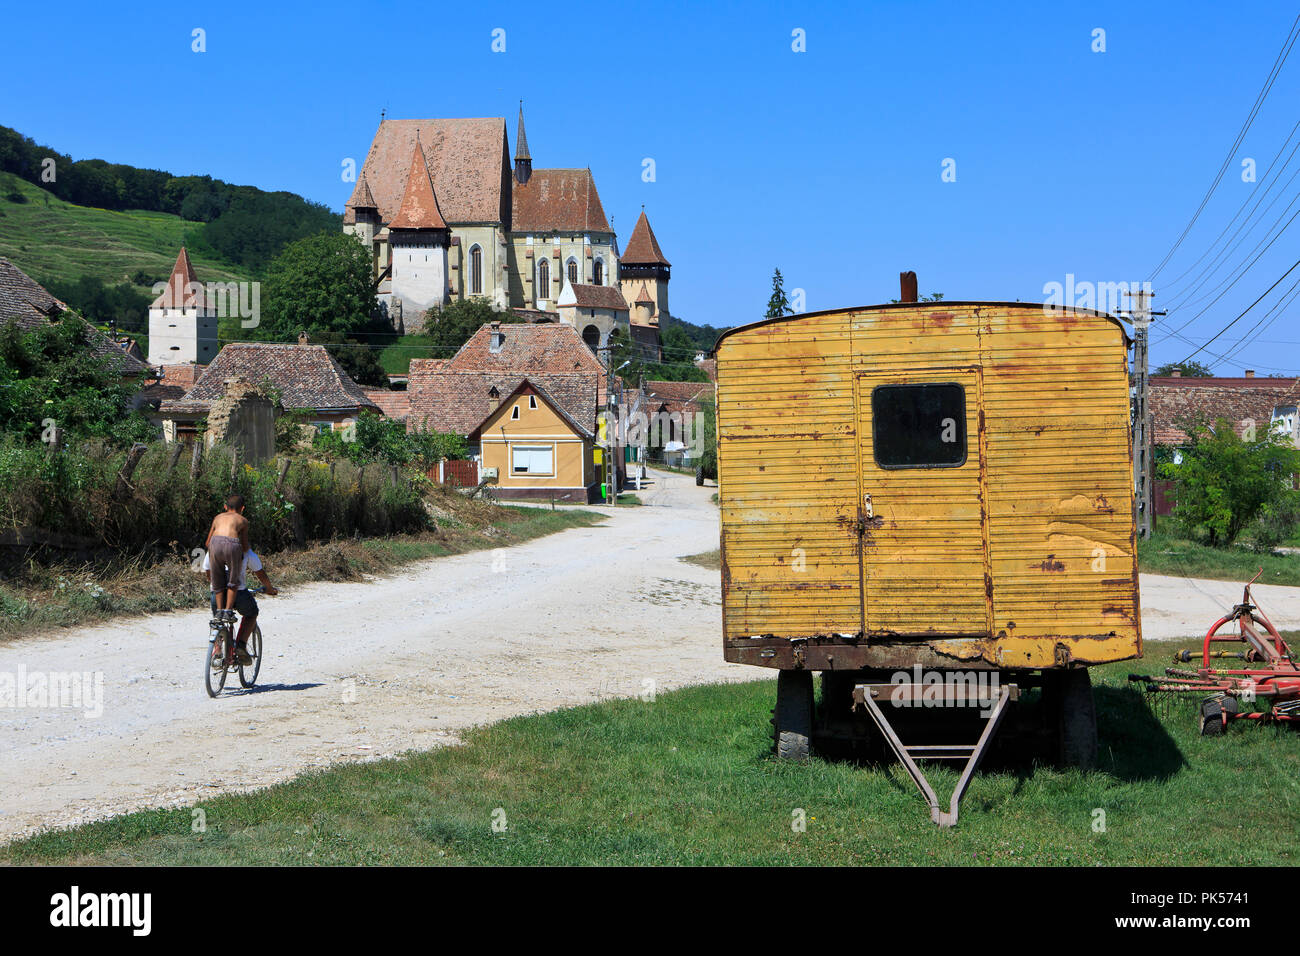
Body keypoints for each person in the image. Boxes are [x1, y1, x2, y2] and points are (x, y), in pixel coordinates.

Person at [200, 548, 278, 666]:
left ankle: (217, 651)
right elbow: (260, 573)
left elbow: (208, 571)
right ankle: (241, 645)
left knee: (218, 619)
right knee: (251, 613)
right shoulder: (245, 550)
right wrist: (270, 589)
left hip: (217, 594)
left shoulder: (214, 548)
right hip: (239, 594)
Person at [205, 494, 252, 621]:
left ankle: (219, 611)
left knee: (217, 580)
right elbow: (245, 545)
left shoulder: (217, 517)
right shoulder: (242, 520)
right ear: (242, 508)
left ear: (225, 507)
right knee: (233, 580)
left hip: (214, 544)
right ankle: (228, 611)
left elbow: (207, 543)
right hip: (232, 544)